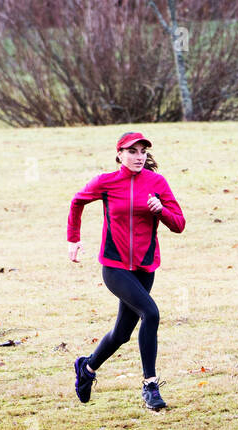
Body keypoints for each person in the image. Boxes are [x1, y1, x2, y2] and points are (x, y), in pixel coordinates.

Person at [66, 131, 186, 411]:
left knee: (122, 333)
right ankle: (150, 385)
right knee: (151, 313)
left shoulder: (157, 183)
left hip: (145, 266)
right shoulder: (106, 182)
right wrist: (74, 238)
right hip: (115, 266)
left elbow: (179, 224)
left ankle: (87, 367)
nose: (139, 156)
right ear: (119, 154)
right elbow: (77, 202)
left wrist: (160, 211)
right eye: (132, 151)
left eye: (143, 151)